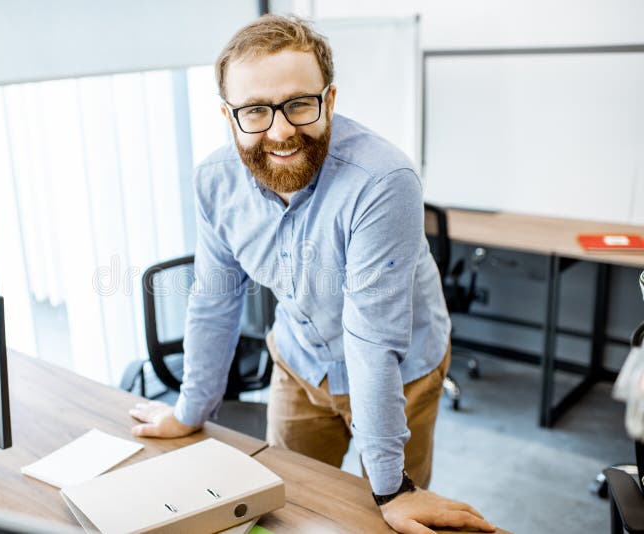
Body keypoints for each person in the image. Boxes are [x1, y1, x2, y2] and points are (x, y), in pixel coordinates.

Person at [130, 14, 495, 534]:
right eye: (255, 110)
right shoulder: (215, 182)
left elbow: (372, 339)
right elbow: (214, 300)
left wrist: (392, 489)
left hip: (401, 370)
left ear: (330, 99)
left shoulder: (381, 181)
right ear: (229, 115)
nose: (280, 131)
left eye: (300, 103)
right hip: (300, 363)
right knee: (287, 509)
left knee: (390, 521)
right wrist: (189, 412)